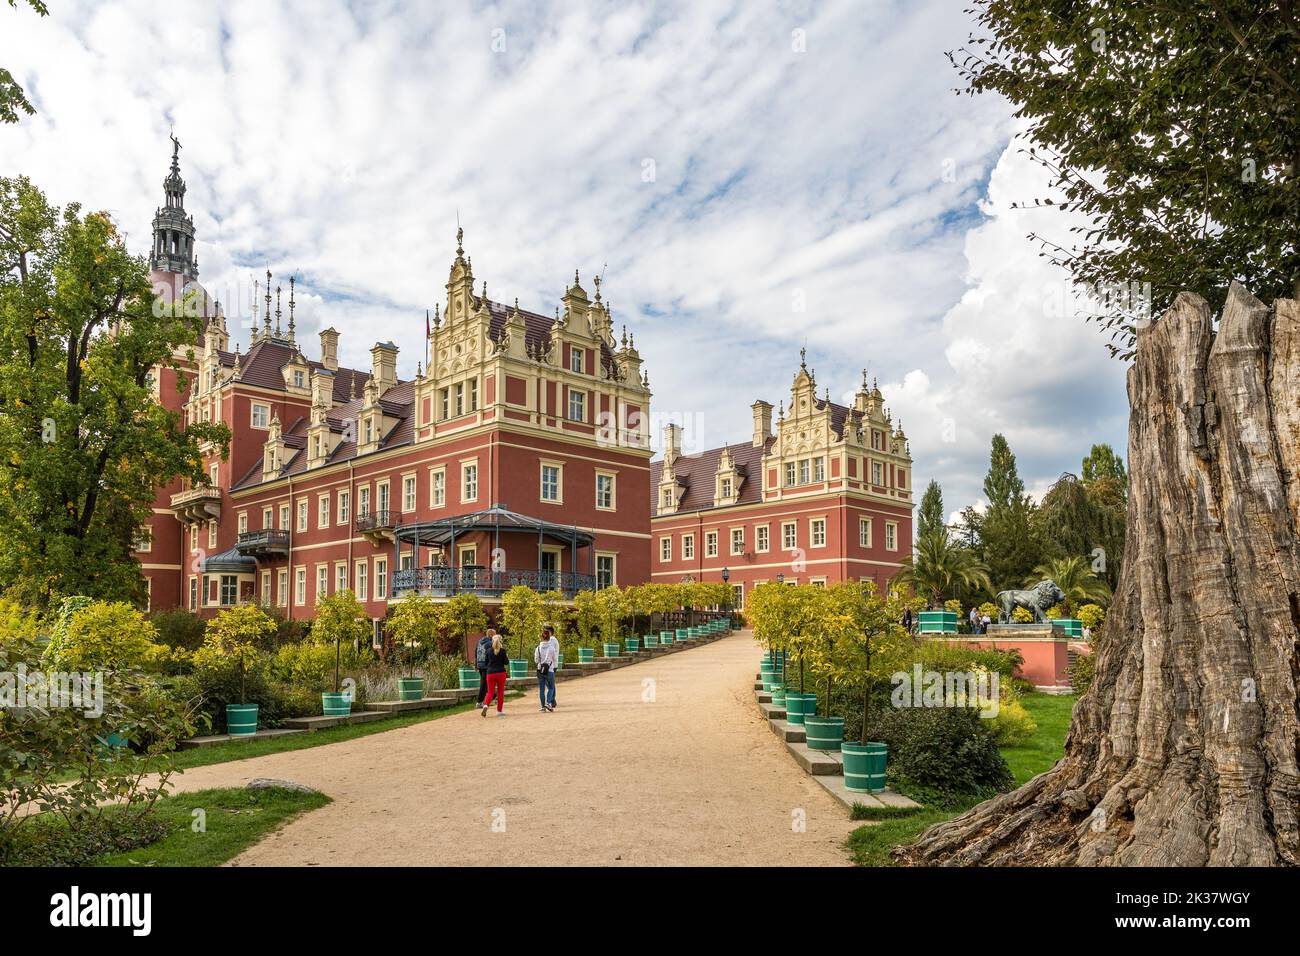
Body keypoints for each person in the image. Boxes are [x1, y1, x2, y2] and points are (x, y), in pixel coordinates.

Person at [480, 633, 510, 717]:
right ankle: (499, 711)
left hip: (490, 673)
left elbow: (486, 663)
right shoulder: (503, 651)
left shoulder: (488, 651)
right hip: (501, 673)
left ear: (492, 641)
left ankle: (486, 705)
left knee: (490, 692)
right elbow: (506, 663)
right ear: (500, 641)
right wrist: (506, 657)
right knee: (500, 692)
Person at [534, 625, 559, 712]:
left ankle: (542, 707)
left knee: (541, 689)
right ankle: (548, 702)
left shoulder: (537, 648)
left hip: (540, 670)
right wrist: (555, 667)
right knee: (551, 687)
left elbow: (536, 660)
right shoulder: (552, 648)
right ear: (549, 638)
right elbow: (555, 659)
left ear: (542, 637)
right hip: (549, 670)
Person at [474, 629, 495, 707]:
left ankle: (492, 697)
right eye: (494, 635)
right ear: (491, 635)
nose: (495, 636)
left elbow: (475, 653)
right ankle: (479, 702)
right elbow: (492, 654)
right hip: (487, 665)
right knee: (484, 684)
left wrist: (476, 665)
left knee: (486, 683)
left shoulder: (479, 641)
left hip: (480, 665)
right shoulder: (490, 643)